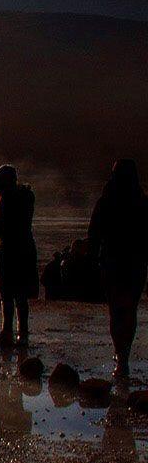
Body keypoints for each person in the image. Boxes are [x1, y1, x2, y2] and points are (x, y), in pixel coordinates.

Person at [87, 158, 148, 381]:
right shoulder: (142, 202)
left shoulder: (106, 201)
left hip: (113, 262)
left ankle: (120, 356)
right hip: (135, 264)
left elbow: (93, 234)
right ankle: (124, 356)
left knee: (116, 310)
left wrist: (93, 260)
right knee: (129, 310)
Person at [0, 164, 37, 350]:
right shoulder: (25, 197)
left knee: (7, 293)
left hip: (12, 250)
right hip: (25, 248)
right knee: (20, 294)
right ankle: (22, 334)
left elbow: (7, 229)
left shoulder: (9, 200)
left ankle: (8, 333)